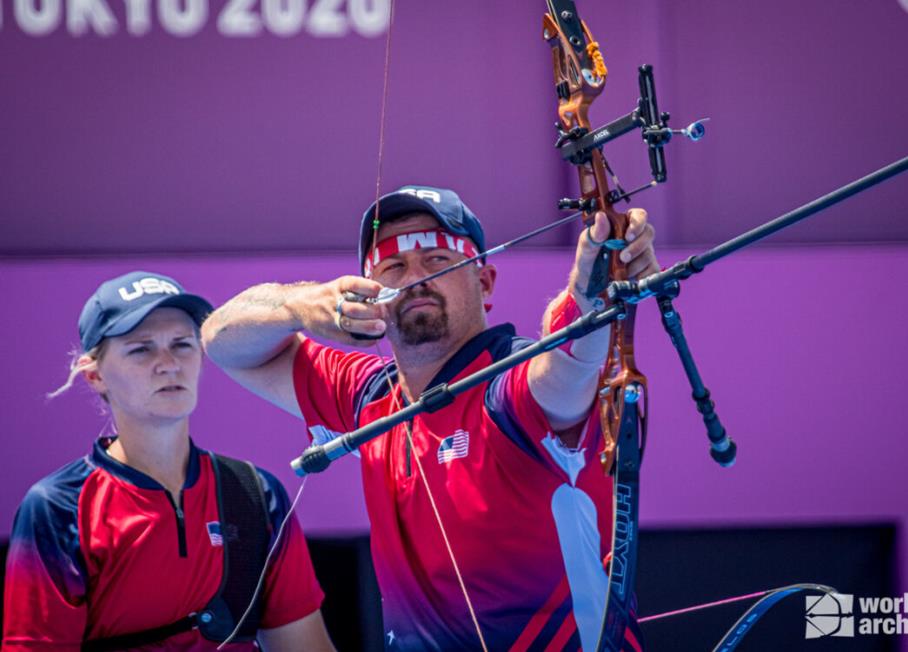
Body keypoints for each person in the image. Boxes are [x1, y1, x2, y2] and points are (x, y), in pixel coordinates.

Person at [201, 186, 659, 651]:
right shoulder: (367, 395)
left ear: (484, 284)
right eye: (394, 267)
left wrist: (588, 291)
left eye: (438, 260)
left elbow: (568, 368)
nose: (415, 278)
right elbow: (221, 341)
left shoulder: (508, 387)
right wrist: (302, 306)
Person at [2, 271, 335, 651]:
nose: (168, 363)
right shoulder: (58, 508)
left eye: (182, 344)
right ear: (94, 375)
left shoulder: (258, 495)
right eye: (141, 348)